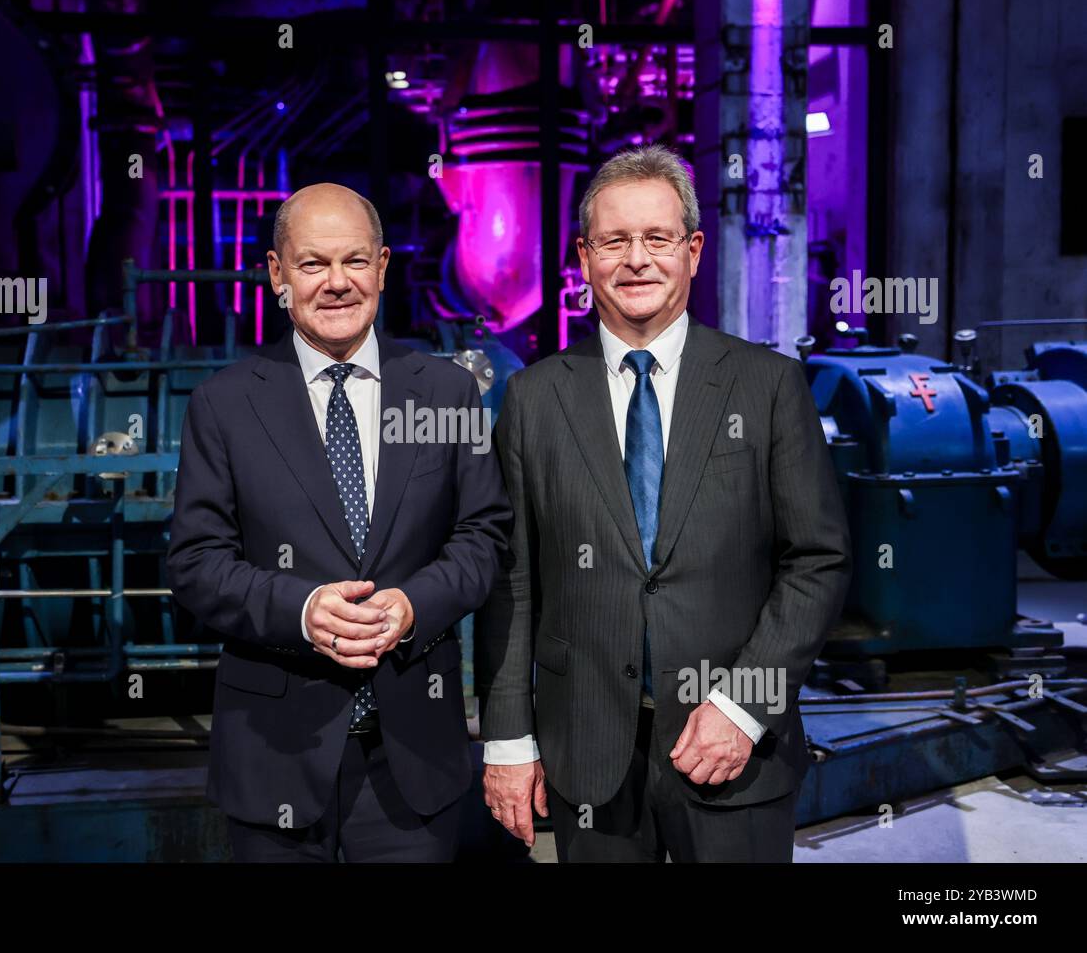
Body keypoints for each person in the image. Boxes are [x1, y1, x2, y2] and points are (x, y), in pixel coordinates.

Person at [475, 145, 853, 862]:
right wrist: (508, 738)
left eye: (658, 238)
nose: (637, 259)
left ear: (694, 250)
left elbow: (818, 561)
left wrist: (744, 706)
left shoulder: (768, 387)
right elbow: (511, 584)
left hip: (735, 752)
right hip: (586, 755)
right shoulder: (533, 399)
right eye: (615, 241)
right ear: (585, 257)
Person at [167, 182, 511, 861]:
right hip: (275, 754)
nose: (336, 283)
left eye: (354, 261)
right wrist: (301, 610)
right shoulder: (224, 405)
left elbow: (485, 535)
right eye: (313, 263)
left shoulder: (444, 391)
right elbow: (195, 563)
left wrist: (414, 605)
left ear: (383, 267)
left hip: (411, 758)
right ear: (277, 274)